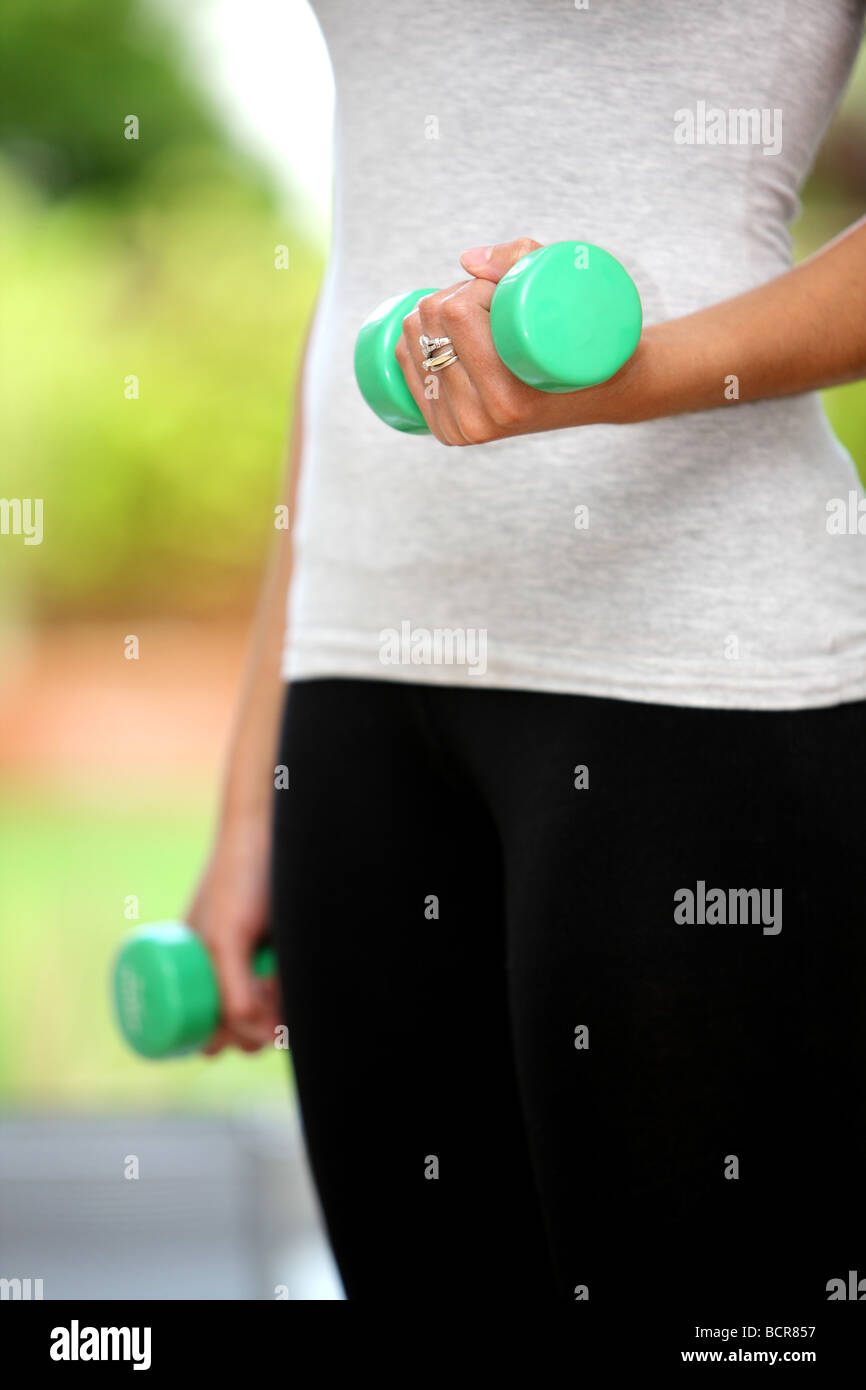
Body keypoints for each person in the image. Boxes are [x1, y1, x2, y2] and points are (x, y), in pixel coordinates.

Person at [188, 0, 866, 1304]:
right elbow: (367, 266)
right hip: (357, 682)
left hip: (686, 674)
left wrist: (634, 369)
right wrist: (245, 790)